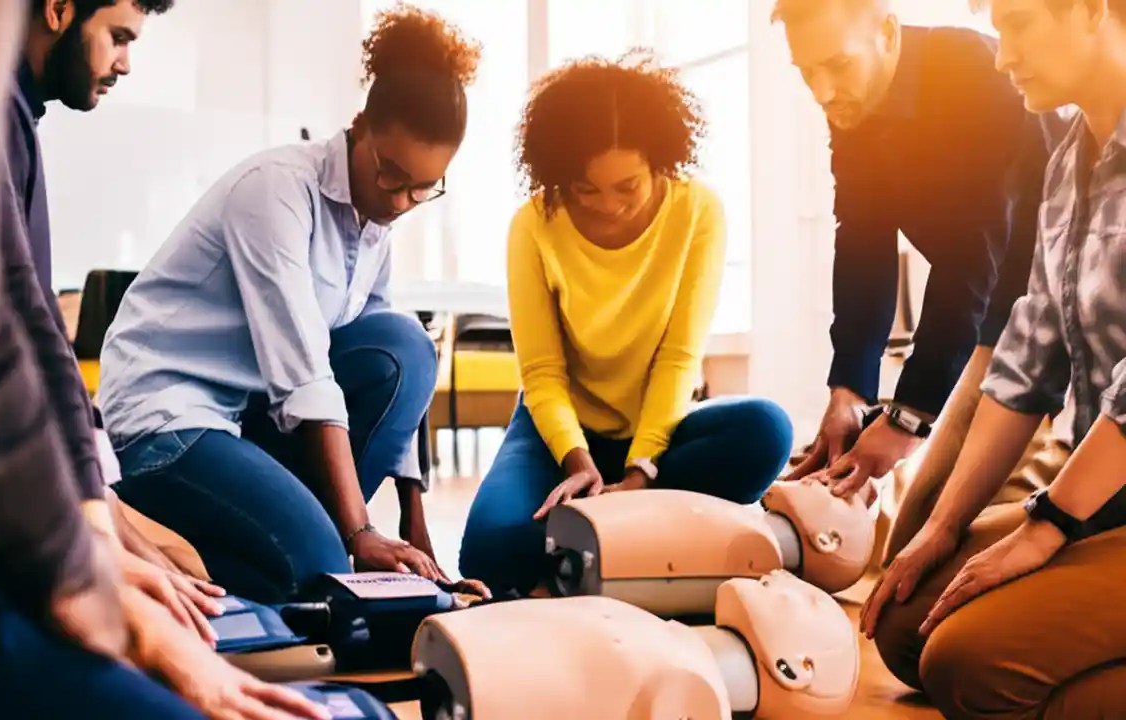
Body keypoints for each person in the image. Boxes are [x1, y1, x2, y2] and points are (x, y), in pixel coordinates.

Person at [0, 1, 327, 718]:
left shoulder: (10, 115)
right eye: (119, 36)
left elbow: (35, 325)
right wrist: (82, 572)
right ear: (59, 9)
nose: (126, 62)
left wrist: (100, 522)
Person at [97, 5, 488, 605]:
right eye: (391, 173)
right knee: (319, 569)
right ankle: (142, 525)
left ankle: (264, 534)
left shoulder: (375, 221)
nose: (400, 201)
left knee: (405, 346)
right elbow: (304, 374)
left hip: (249, 418)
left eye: (423, 188)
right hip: (170, 416)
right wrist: (358, 532)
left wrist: (419, 534)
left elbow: (387, 369)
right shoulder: (276, 190)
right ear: (360, 125)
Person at [860, 1, 1126, 716]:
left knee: (969, 666)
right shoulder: (1071, 158)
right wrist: (942, 527)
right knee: (906, 623)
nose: (1003, 56)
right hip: (1112, 499)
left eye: (1018, 24)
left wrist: (1048, 528)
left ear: (1093, 9)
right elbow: (1030, 354)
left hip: (1099, 497)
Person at [456, 52, 795, 596]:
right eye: (585, 188)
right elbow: (542, 373)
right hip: (560, 434)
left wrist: (641, 471)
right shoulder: (533, 225)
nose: (609, 205)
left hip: (658, 437)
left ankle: (601, 539)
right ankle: (633, 544)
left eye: (627, 186)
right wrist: (578, 460)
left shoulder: (697, 211)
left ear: (660, 161)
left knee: (766, 431)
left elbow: (678, 358)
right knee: (489, 551)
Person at [773, 0, 1053, 504]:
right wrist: (850, 389)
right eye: (807, 72)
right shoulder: (854, 104)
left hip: (1071, 315)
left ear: (887, 33)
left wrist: (909, 417)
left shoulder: (972, 72)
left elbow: (969, 252)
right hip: (1001, 322)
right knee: (921, 515)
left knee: (986, 520)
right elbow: (863, 239)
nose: (823, 91)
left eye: (838, 65)